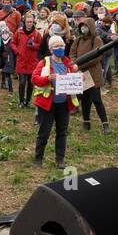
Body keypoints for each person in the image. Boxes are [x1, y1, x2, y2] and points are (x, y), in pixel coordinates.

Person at [31, 34, 78, 168]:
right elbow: (34, 79)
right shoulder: (45, 62)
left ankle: (60, 160)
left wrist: (77, 76)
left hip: (63, 104)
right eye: (57, 46)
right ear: (51, 49)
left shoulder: (68, 63)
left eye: (62, 46)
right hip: (47, 104)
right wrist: (48, 78)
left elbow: (73, 80)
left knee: (62, 132)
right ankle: (38, 159)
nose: (60, 48)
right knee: (44, 132)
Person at [69, 16, 108, 133]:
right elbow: (72, 53)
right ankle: (86, 122)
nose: (83, 28)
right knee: (85, 100)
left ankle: (105, 124)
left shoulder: (96, 39)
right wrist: (74, 63)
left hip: (93, 74)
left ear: (90, 27)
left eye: (85, 26)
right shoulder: (79, 40)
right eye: (82, 26)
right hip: (81, 74)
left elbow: (96, 57)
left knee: (97, 100)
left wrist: (79, 65)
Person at [13, 13, 41, 108]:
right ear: (24, 22)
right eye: (28, 22)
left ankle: (28, 101)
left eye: (31, 22)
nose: (29, 24)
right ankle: (21, 101)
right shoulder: (19, 32)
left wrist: (34, 45)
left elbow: (41, 46)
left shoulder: (37, 34)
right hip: (22, 61)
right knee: (22, 82)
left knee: (30, 83)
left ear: (33, 22)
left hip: (32, 62)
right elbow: (13, 43)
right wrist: (17, 51)